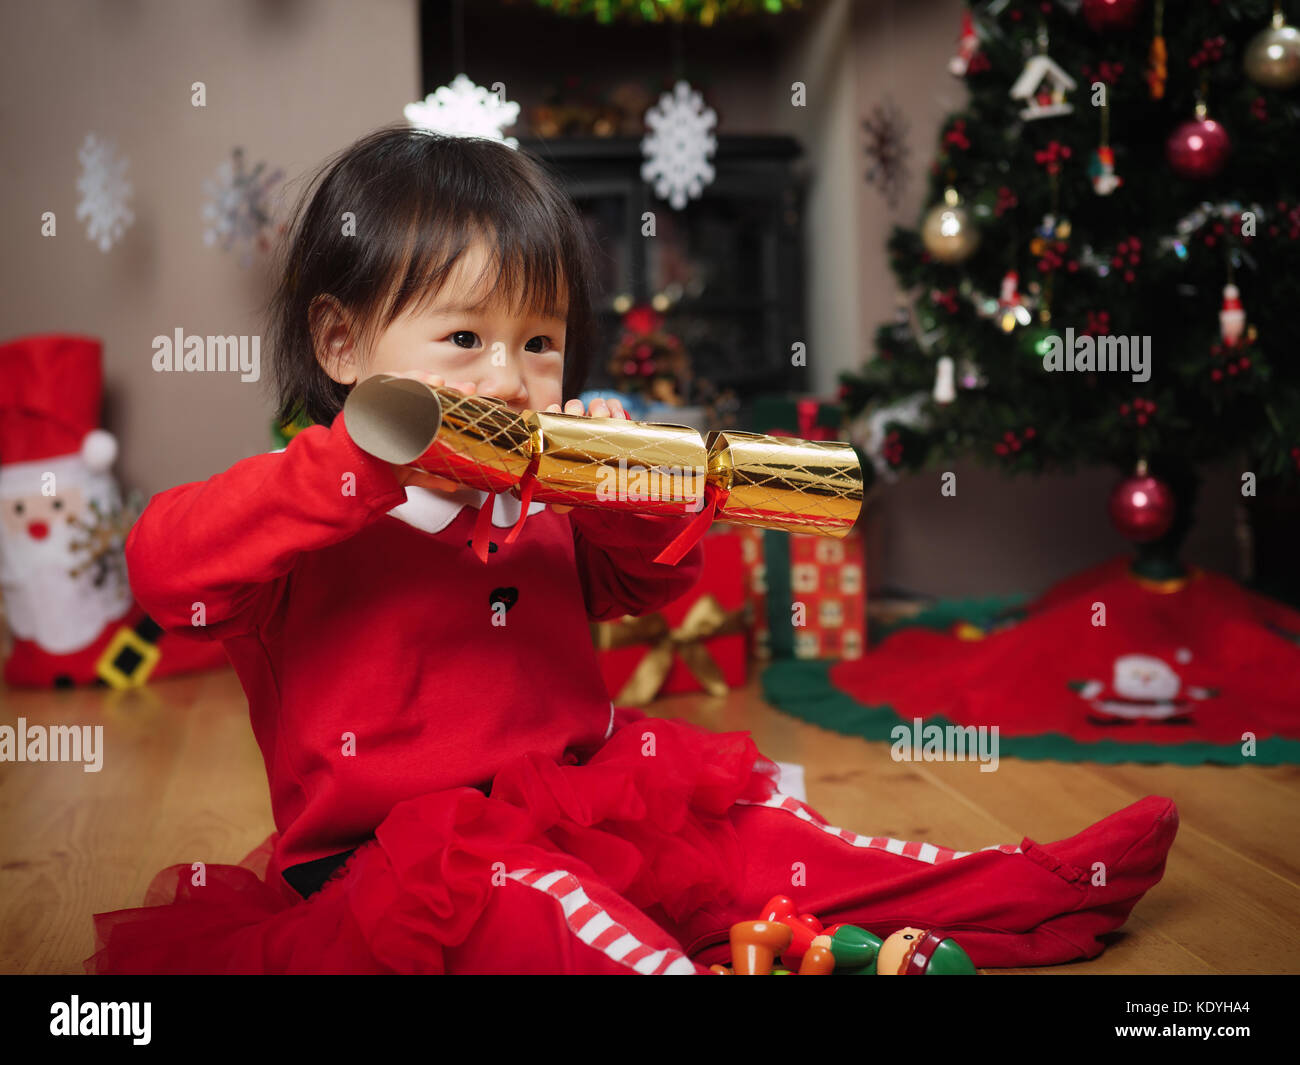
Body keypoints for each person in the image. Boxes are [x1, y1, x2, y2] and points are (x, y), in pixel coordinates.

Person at [85, 126, 1178, 974]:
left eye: (540, 343)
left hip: (590, 804)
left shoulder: (536, 497)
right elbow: (164, 566)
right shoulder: (302, 512)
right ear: (340, 344)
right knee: (552, 916)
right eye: (464, 340)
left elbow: (648, 589)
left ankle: (1039, 890)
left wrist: (626, 497)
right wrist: (359, 463)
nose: (509, 381)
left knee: (770, 843)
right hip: (396, 868)